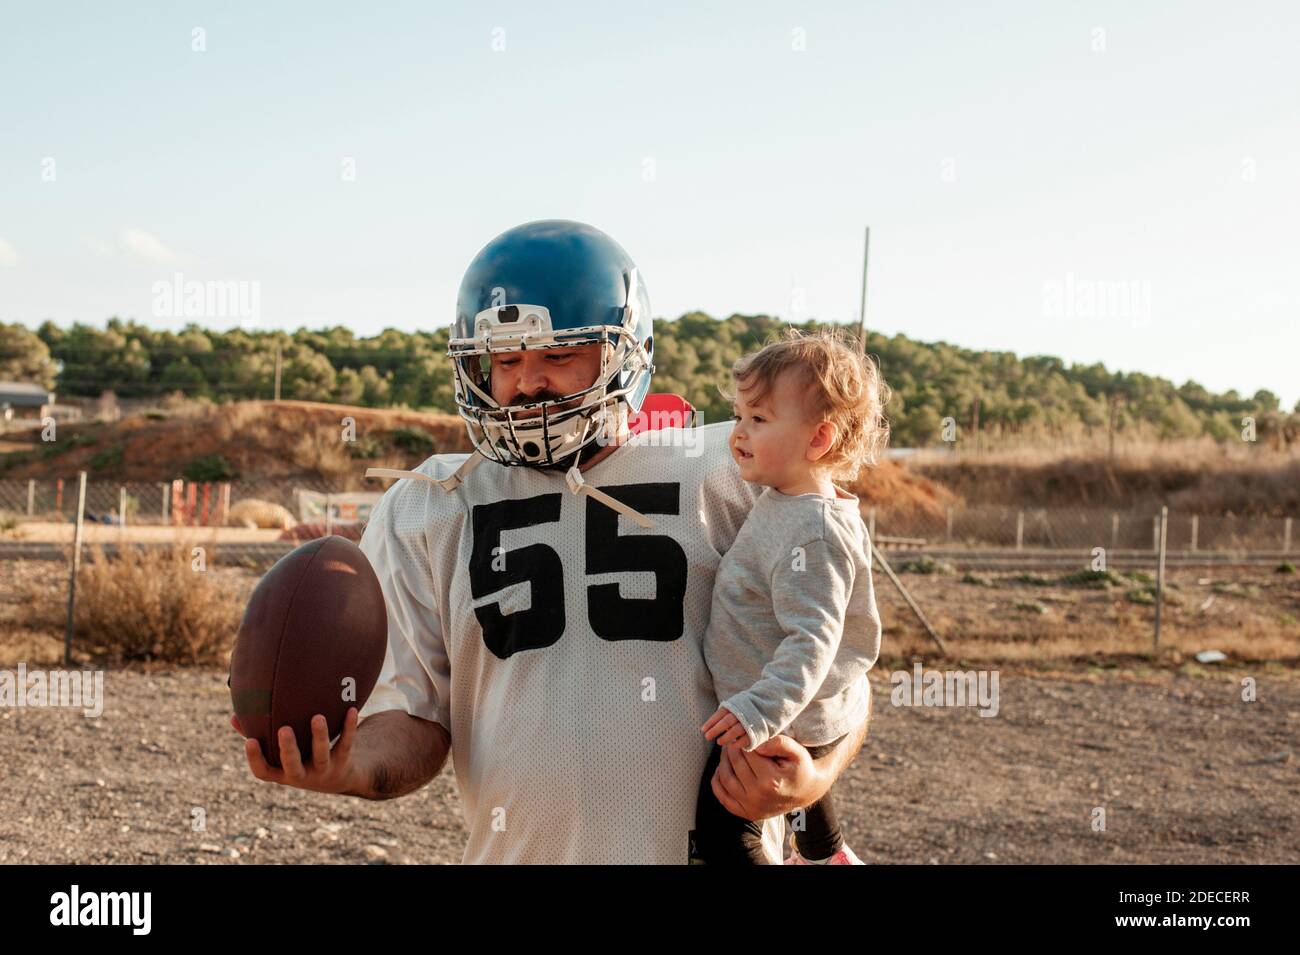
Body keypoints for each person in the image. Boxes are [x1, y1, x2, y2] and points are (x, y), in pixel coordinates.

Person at [233, 219, 871, 864]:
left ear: (626, 352)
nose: (525, 383)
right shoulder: (435, 500)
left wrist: (813, 780)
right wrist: (345, 766)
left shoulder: (731, 470)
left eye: (557, 356)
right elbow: (415, 720)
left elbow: (837, 669)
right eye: (505, 360)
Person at [693, 328, 887, 865]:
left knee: (723, 832)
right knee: (808, 812)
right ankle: (828, 854)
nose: (737, 433)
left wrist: (758, 710)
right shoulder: (788, 500)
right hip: (798, 714)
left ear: (818, 440)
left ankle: (824, 851)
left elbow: (813, 642)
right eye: (738, 416)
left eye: (758, 419)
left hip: (776, 717)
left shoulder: (812, 530)